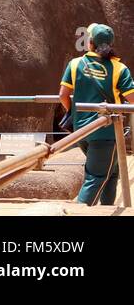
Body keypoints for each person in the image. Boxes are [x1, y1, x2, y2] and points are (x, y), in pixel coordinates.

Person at [60, 24, 133, 206]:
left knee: (112, 171)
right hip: (107, 133)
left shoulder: (75, 64)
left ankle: (106, 209)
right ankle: (80, 212)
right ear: (110, 44)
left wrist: (72, 112)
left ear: (90, 42)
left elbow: (63, 95)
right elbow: (132, 99)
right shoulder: (119, 69)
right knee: (96, 177)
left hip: (81, 132)